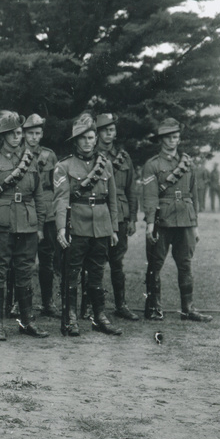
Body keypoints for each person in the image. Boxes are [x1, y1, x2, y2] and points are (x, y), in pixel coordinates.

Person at [0, 111, 49, 340]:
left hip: (27, 225)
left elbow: (39, 195)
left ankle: (27, 321)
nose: (18, 137)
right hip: (3, 224)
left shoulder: (31, 160)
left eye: (20, 133)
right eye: (13, 133)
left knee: (25, 273)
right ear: (4, 136)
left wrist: (39, 226)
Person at [54, 114, 121, 337]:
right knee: (71, 273)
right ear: (75, 141)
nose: (87, 142)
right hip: (77, 225)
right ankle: (70, 317)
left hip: (101, 226)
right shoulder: (64, 166)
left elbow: (112, 198)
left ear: (96, 139)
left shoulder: (106, 165)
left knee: (97, 273)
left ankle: (99, 316)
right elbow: (62, 198)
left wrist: (113, 228)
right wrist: (61, 227)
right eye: (82, 138)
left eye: (91, 137)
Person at [141, 118, 212, 322]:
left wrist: (195, 225)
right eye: (169, 137)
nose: (174, 140)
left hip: (186, 220)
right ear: (162, 139)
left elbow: (194, 194)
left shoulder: (187, 163)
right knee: (155, 264)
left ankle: (187, 309)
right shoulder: (153, 164)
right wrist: (150, 224)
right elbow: (150, 196)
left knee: (186, 264)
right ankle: (154, 308)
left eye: (176, 136)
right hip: (163, 219)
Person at [95, 113, 139, 320]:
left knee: (117, 261)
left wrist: (132, 218)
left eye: (111, 130)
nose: (108, 133)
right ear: (97, 133)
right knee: (94, 262)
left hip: (120, 214)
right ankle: (92, 306)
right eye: (104, 130)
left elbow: (131, 188)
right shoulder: (91, 155)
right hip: (97, 213)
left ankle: (121, 305)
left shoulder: (124, 157)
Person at [21, 114, 61, 319]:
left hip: (47, 213)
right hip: (25, 210)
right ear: (24, 133)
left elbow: (56, 186)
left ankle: (47, 302)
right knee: (22, 259)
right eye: (30, 133)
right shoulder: (18, 154)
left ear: (42, 134)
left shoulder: (50, 156)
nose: (34, 137)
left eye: (37, 133)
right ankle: (18, 303)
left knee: (47, 259)